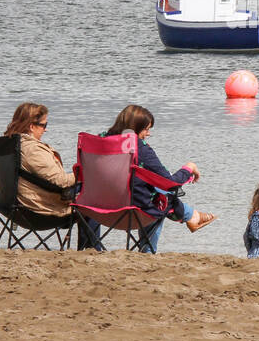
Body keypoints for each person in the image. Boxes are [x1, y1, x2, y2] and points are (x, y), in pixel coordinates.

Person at [92, 104, 215, 253]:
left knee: (152, 188)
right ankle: (149, 250)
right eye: (146, 129)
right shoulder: (139, 147)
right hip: (131, 212)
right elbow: (170, 183)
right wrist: (189, 168)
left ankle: (90, 247)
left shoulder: (99, 141)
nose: (148, 134)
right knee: (162, 197)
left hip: (95, 208)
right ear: (135, 127)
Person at [3, 102, 75, 217]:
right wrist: (86, 173)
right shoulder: (33, 150)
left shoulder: (9, 145)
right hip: (39, 209)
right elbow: (60, 181)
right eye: (44, 125)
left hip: (13, 206)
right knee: (92, 205)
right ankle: (89, 235)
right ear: (31, 126)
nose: (45, 130)